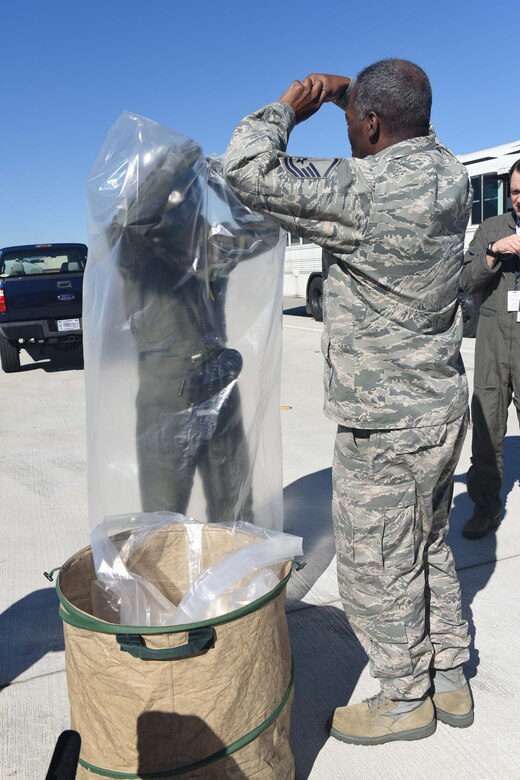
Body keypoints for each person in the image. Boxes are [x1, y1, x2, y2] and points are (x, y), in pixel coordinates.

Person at [224, 59, 473, 745]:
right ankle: (449, 675)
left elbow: (244, 169)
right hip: (438, 406)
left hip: (382, 422)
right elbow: (399, 136)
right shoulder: (448, 173)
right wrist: (350, 106)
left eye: (358, 125)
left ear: (370, 125)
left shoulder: (362, 191)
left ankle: (404, 696)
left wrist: (290, 109)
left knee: (374, 565)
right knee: (427, 545)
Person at [107, 128, 280, 523]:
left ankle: (236, 577)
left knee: (236, 506)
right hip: (168, 396)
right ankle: (166, 585)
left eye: (194, 199)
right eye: (181, 199)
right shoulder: (138, 252)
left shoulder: (208, 247)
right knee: (163, 515)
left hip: (219, 385)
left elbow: (266, 230)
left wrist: (224, 179)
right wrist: (175, 164)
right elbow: (131, 221)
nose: (191, 208)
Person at [459, 160, 520, 538]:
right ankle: (485, 507)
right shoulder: (491, 228)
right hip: (495, 337)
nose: (519, 200)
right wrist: (494, 252)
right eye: (515, 192)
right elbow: (466, 279)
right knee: (486, 426)